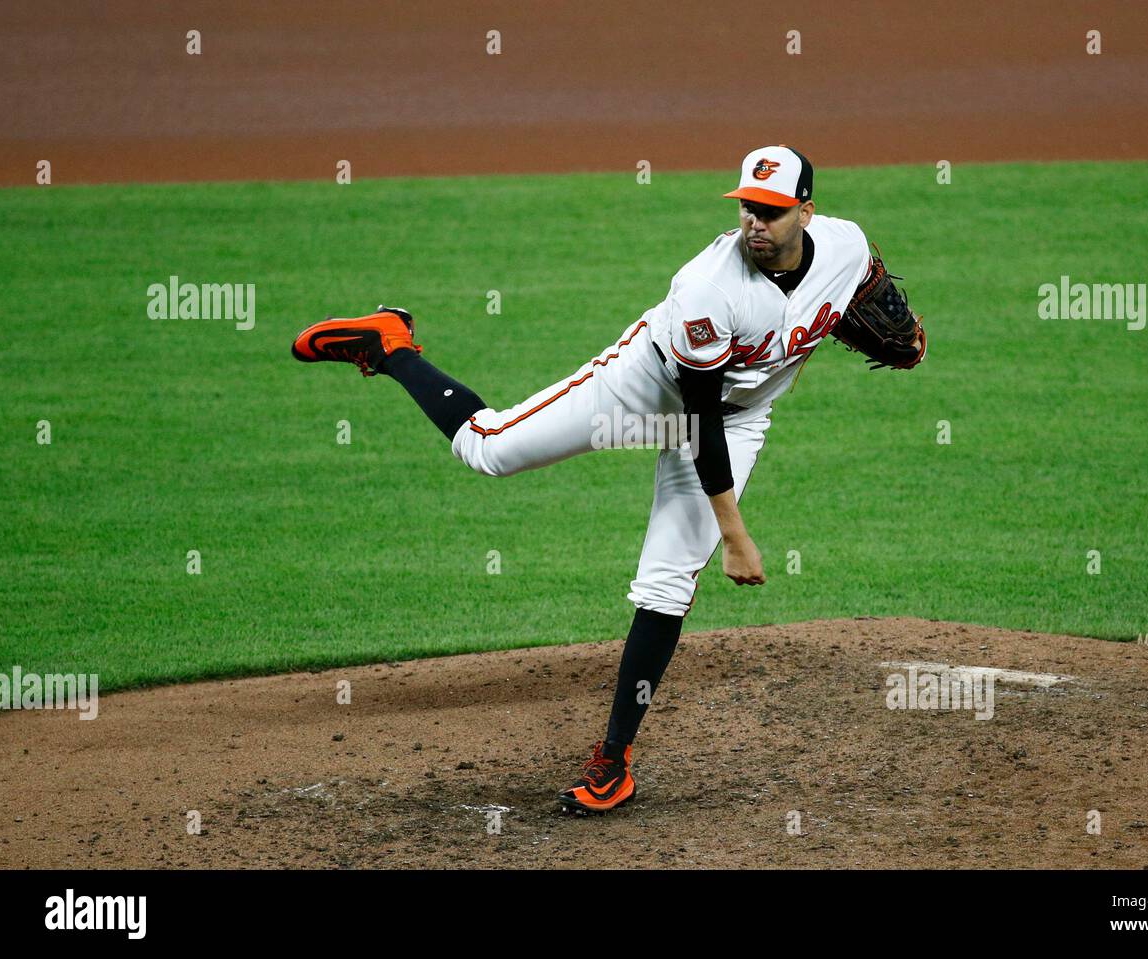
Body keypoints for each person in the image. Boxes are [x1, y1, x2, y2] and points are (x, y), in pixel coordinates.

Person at [292, 145, 878, 814]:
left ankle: (612, 761)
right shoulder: (707, 288)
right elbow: (698, 419)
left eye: (772, 212)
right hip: (652, 387)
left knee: (666, 581)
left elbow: (869, 284)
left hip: (741, 417)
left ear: (807, 210)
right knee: (489, 448)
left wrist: (907, 336)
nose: (755, 222)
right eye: (748, 207)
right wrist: (734, 532)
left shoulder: (847, 247)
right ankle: (389, 344)